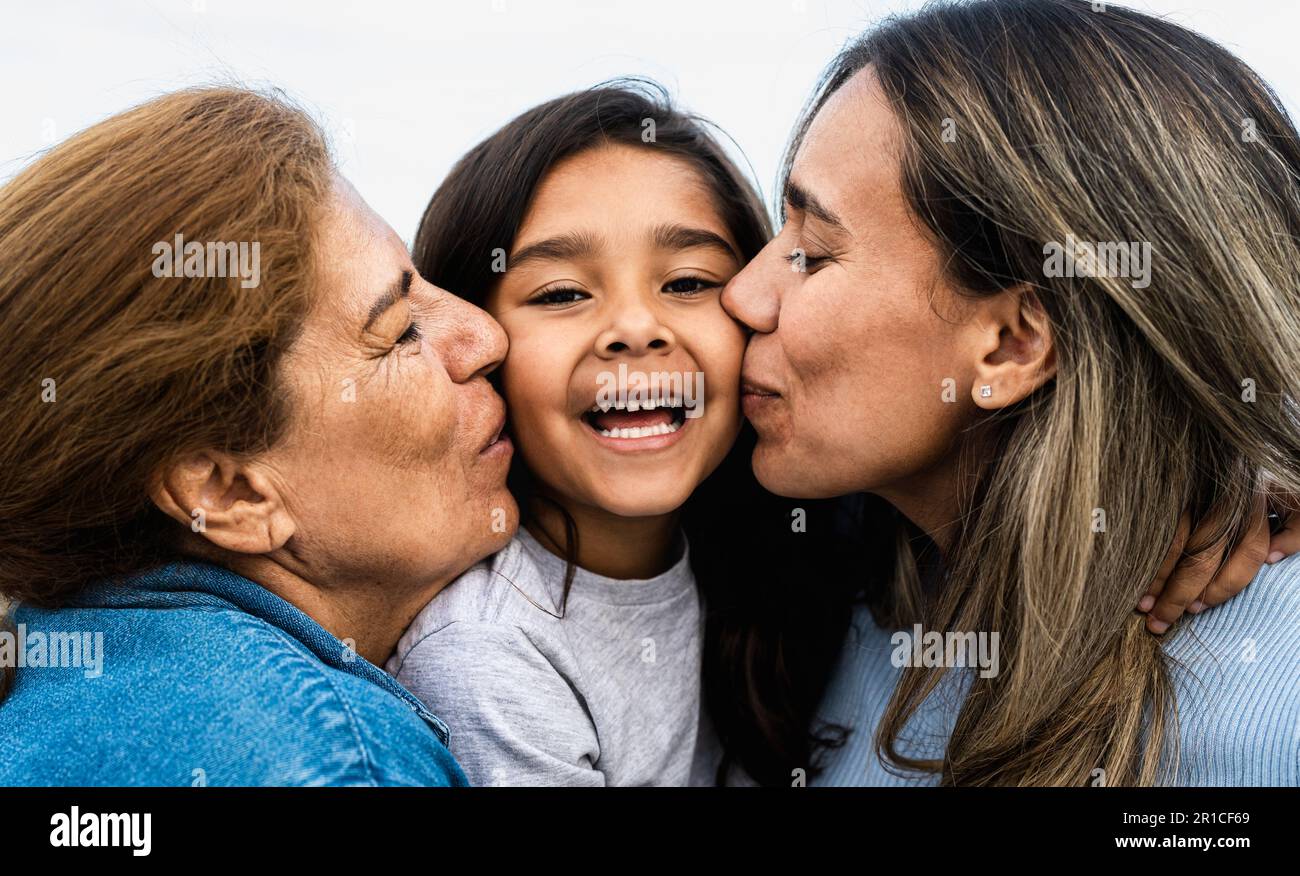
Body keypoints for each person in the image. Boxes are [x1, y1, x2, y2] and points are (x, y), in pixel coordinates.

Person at [720, 0, 1300, 785]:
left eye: (813, 253)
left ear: (1012, 344)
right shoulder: (826, 592)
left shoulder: (1272, 704)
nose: (743, 297)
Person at [0, 87, 516, 785]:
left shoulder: (54, 675)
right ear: (231, 492)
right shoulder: (341, 762)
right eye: (400, 333)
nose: (486, 337)